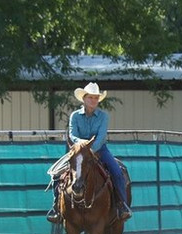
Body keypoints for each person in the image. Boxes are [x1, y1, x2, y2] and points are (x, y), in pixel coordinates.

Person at [47, 82, 132, 223]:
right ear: (84, 99)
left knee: (117, 172)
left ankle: (121, 205)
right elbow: (72, 135)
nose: (93, 100)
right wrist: (82, 147)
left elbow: (101, 136)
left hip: (99, 149)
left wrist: (90, 150)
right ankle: (56, 207)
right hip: (78, 151)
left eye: (96, 98)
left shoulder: (103, 116)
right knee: (56, 174)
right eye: (90, 97)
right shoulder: (75, 116)